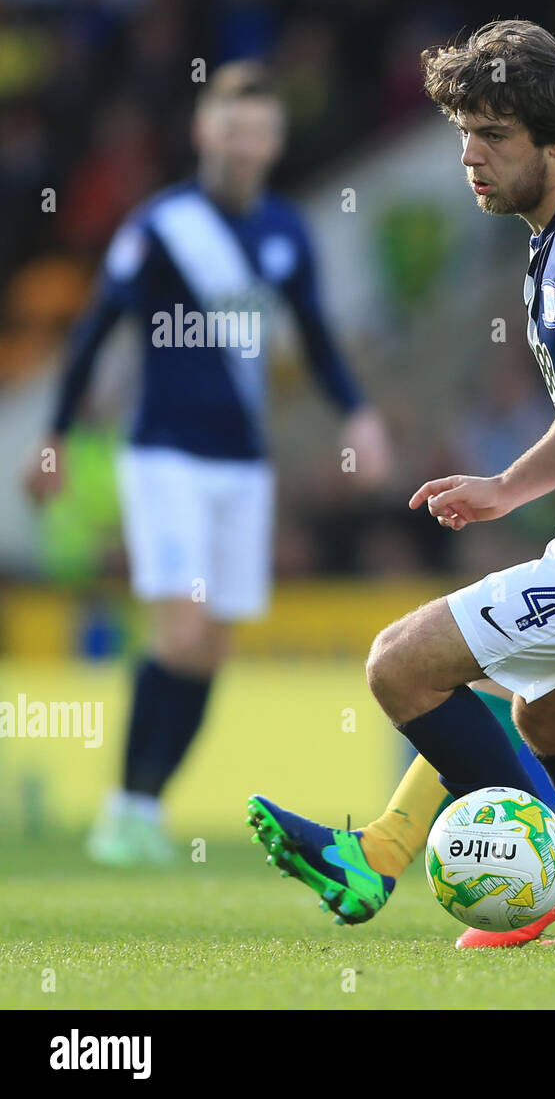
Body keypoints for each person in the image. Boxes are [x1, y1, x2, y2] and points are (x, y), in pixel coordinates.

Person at [247, 19, 555, 948]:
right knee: (551, 717)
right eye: (463, 134)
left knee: (401, 664)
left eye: (495, 137)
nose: (471, 157)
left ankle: (546, 873)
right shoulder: (553, 238)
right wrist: (510, 487)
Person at [25, 61, 394, 867]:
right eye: (232, 128)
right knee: (182, 626)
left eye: (259, 131)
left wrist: (358, 417)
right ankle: (123, 808)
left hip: (243, 465)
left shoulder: (286, 234)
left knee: (211, 645)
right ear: (204, 132)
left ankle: (144, 807)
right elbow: (95, 331)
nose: (245, 145)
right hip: (166, 457)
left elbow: (320, 338)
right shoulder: (161, 227)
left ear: (275, 142)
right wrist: (54, 435)